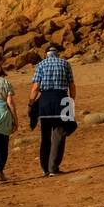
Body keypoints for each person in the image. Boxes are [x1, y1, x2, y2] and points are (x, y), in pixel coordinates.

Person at [30, 46, 76, 176]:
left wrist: (30, 103)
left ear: (46, 54)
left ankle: (45, 168)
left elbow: (35, 87)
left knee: (45, 137)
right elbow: (72, 86)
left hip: (45, 101)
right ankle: (53, 167)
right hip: (62, 100)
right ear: (57, 54)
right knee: (59, 135)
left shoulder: (41, 64)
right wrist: (71, 102)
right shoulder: (65, 64)